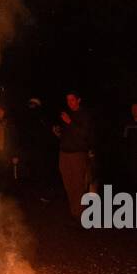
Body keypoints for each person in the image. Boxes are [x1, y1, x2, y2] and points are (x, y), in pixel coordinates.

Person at [54, 91, 95, 220]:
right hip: (64, 153)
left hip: (77, 154)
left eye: (72, 100)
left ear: (79, 100)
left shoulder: (85, 115)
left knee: (78, 185)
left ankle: (81, 214)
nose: (69, 103)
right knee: (68, 184)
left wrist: (70, 122)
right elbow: (67, 135)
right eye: (67, 100)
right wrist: (58, 132)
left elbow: (84, 134)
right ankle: (75, 212)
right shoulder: (67, 115)